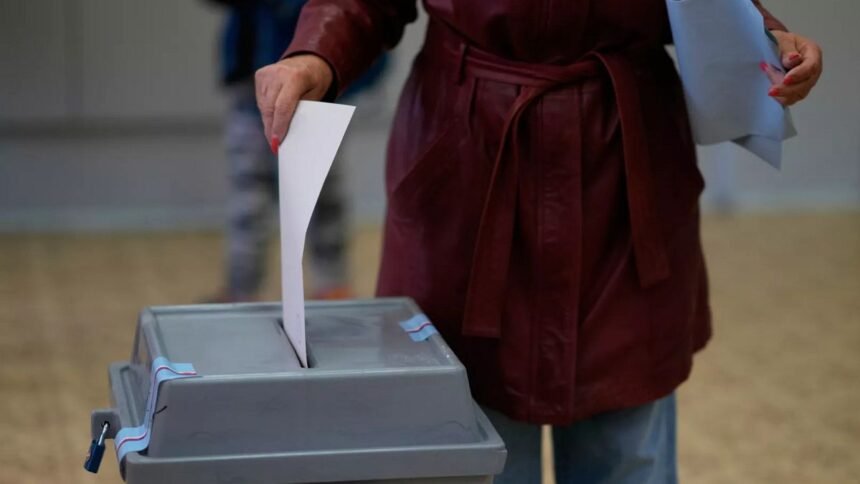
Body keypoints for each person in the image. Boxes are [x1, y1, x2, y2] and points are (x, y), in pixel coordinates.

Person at [254, 2, 823, 482]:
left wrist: (764, 34)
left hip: (624, 164)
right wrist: (316, 52)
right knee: (475, 438)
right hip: (469, 157)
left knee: (627, 437)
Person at [206, 0, 387, 302]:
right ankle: (241, 288)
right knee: (248, 196)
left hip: (319, 80)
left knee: (320, 191)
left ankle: (332, 285)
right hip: (252, 76)